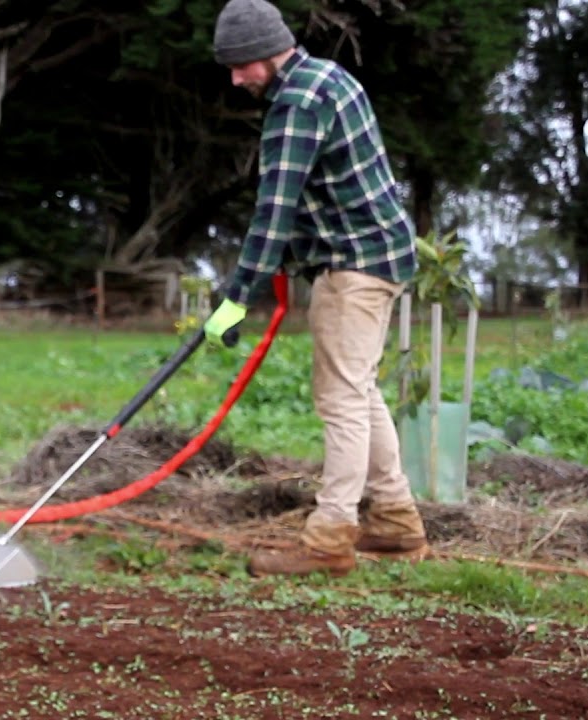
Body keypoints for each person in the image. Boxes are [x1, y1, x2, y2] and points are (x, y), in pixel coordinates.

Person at [202, 0, 430, 577]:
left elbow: (273, 210)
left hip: (352, 266)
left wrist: (236, 297)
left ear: (268, 51)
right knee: (361, 389)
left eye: (242, 66)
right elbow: (306, 199)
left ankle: (328, 541)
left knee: (341, 400)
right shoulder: (329, 77)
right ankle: (397, 522)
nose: (236, 79)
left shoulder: (297, 103)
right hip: (379, 254)